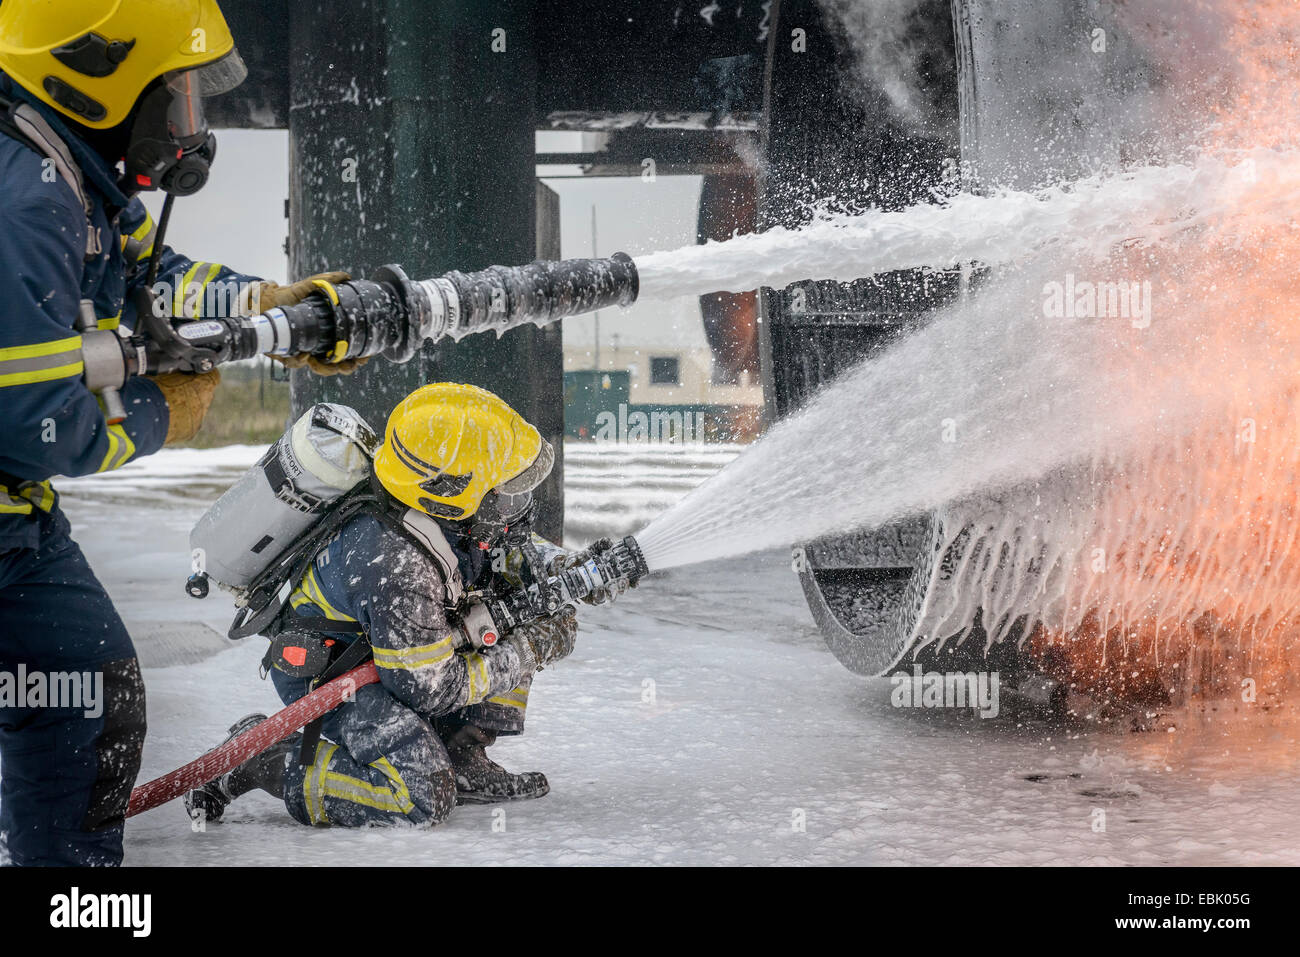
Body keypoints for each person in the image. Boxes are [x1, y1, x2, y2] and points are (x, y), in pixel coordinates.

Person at [0, 0, 354, 866]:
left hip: (15, 521)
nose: (188, 124)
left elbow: (145, 278)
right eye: (177, 97)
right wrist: (169, 413)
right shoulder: (24, 199)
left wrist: (271, 310)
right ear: (96, 76)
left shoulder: (61, 176)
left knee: (85, 690)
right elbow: (35, 421)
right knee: (75, 692)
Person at [186, 383, 603, 828]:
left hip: (403, 653)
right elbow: (432, 687)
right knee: (420, 796)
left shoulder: (436, 507)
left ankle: (462, 753)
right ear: (451, 491)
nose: (512, 505)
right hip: (337, 676)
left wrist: (565, 568)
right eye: (500, 491)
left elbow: (505, 553)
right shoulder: (396, 563)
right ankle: (266, 756)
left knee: (523, 605)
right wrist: (533, 648)